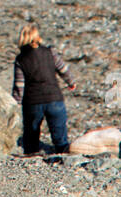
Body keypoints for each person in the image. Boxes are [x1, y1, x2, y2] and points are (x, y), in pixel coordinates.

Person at [12, 22, 76, 156]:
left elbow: (19, 84)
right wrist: (71, 82)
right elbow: (63, 69)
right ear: (37, 37)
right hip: (54, 98)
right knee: (60, 136)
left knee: (31, 136)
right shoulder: (50, 52)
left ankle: (32, 160)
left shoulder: (21, 59)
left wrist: (16, 101)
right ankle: (63, 161)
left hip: (33, 102)